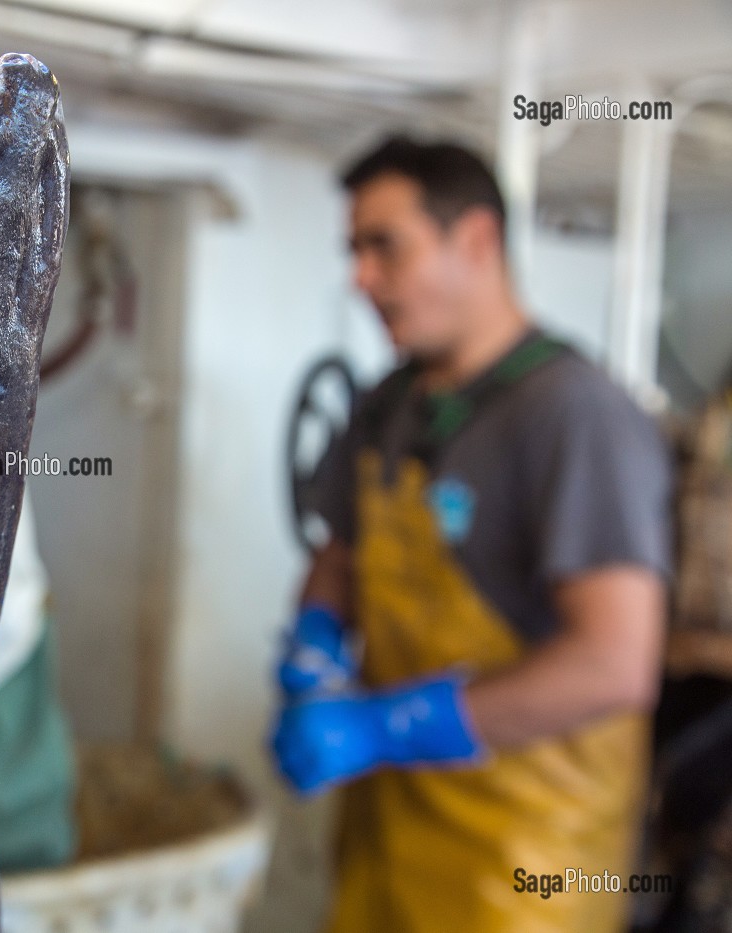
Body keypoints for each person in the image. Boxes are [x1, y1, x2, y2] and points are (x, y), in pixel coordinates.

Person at [271, 136, 673, 932]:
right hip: (390, 831)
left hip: (522, 861)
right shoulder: (390, 403)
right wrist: (313, 641)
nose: (360, 278)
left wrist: (387, 725)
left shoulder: (575, 415)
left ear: (478, 240)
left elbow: (614, 664)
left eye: (385, 246)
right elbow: (341, 553)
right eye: (354, 251)